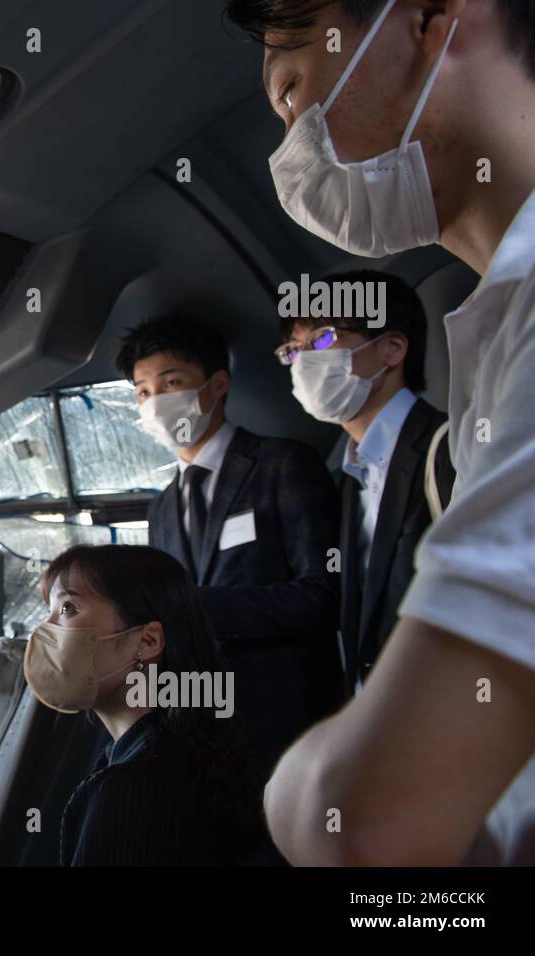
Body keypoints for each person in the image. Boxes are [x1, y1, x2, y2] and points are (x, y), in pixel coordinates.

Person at [225, 0, 535, 865]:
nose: (289, 151)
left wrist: (302, 792)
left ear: (436, 19)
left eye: (293, 96)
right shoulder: (497, 341)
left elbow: (367, 817)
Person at [116, 316, 342, 773]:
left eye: (171, 382)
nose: (155, 402)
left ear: (218, 384)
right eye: (142, 392)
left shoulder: (283, 465)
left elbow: (324, 595)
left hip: (290, 720)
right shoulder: (160, 509)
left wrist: (195, 609)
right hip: (201, 734)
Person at [27, 545, 265, 866]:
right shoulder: (191, 753)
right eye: (49, 611)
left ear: (148, 641)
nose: (45, 630)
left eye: (67, 608)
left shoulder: (130, 789)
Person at [278, 269, 453, 698]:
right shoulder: (342, 479)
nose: (305, 362)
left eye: (322, 340)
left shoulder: (451, 449)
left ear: (391, 348)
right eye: (293, 350)